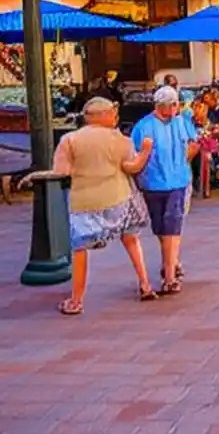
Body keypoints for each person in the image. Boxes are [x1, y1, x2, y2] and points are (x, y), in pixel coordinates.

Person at [21, 97, 157, 315]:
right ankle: (145, 284)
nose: (115, 117)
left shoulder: (70, 140)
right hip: (119, 198)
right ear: (103, 116)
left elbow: (61, 172)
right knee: (131, 237)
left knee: (80, 249)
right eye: (113, 113)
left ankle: (76, 301)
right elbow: (132, 167)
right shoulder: (121, 140)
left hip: (84, 201)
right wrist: (145, 152)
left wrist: (36, 175)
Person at [131, 86, 198, 296]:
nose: (176, 109)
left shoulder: (181, 122)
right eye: (173, 105)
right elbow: (135, 154)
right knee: (160, 228)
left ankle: (169, 277)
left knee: (172, 226)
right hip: (152, 184)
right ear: (163, 106)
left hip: (177, 182)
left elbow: (194, 144)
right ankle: (172, 261)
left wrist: (182, 162)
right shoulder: (144, 126)